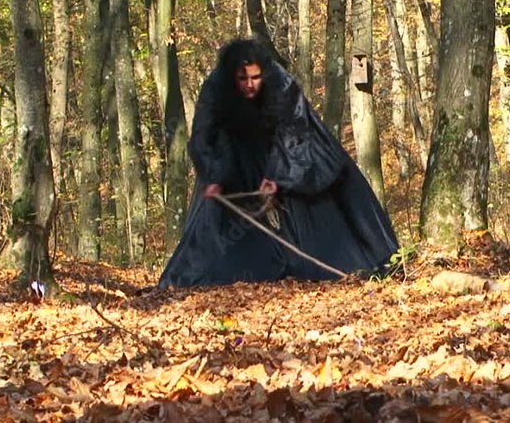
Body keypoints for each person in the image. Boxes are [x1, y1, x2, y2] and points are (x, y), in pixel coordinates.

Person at [158, 38, 399, 287]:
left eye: (255, 77)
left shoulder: (280, 82)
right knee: (221, 220)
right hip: (236, 147)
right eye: (242, 79)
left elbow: (293, 132)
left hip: (291, 144)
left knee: (315, 195)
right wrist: (213, 175)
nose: (250, 85)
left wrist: (276, 175)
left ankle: (324, 259)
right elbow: (202, 133)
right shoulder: (215, 87)